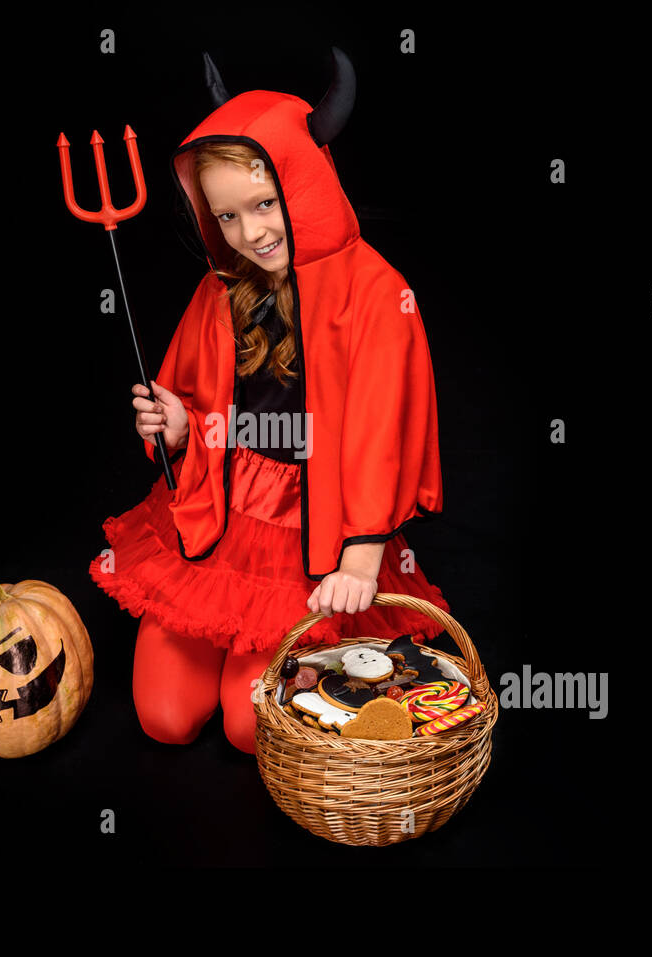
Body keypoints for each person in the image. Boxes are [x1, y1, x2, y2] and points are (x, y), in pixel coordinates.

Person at [89, 49, 449, 754]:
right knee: (165, 718)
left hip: (311, 530)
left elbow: (383, 432)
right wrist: (177, 424)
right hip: (221, 508)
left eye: (264, 203)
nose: (250, 232)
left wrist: (361, 557)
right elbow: (205, 402)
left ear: (306, 182)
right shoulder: (224, 286)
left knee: (249, 728)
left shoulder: (379, 294)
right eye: (225, 215)